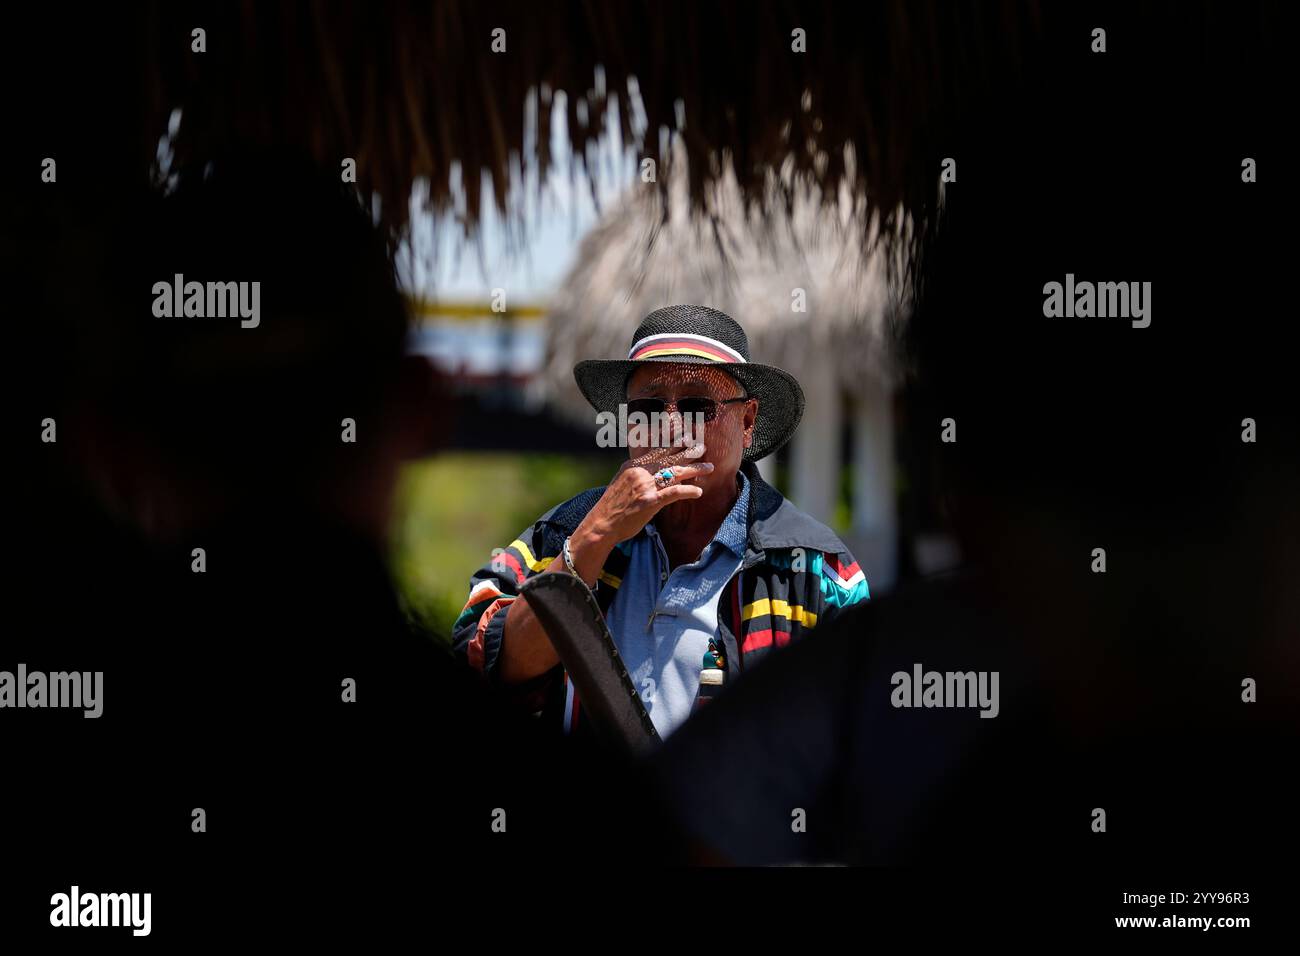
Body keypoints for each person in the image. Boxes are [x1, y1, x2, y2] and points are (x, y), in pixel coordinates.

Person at [452, 305, 869, 739]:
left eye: (696, 405)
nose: (671, 425)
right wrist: (598, 533)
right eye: (649, 408)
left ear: (746, 422)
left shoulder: (815, 568)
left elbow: (858, 732)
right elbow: (484, 661)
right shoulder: (564, 531)